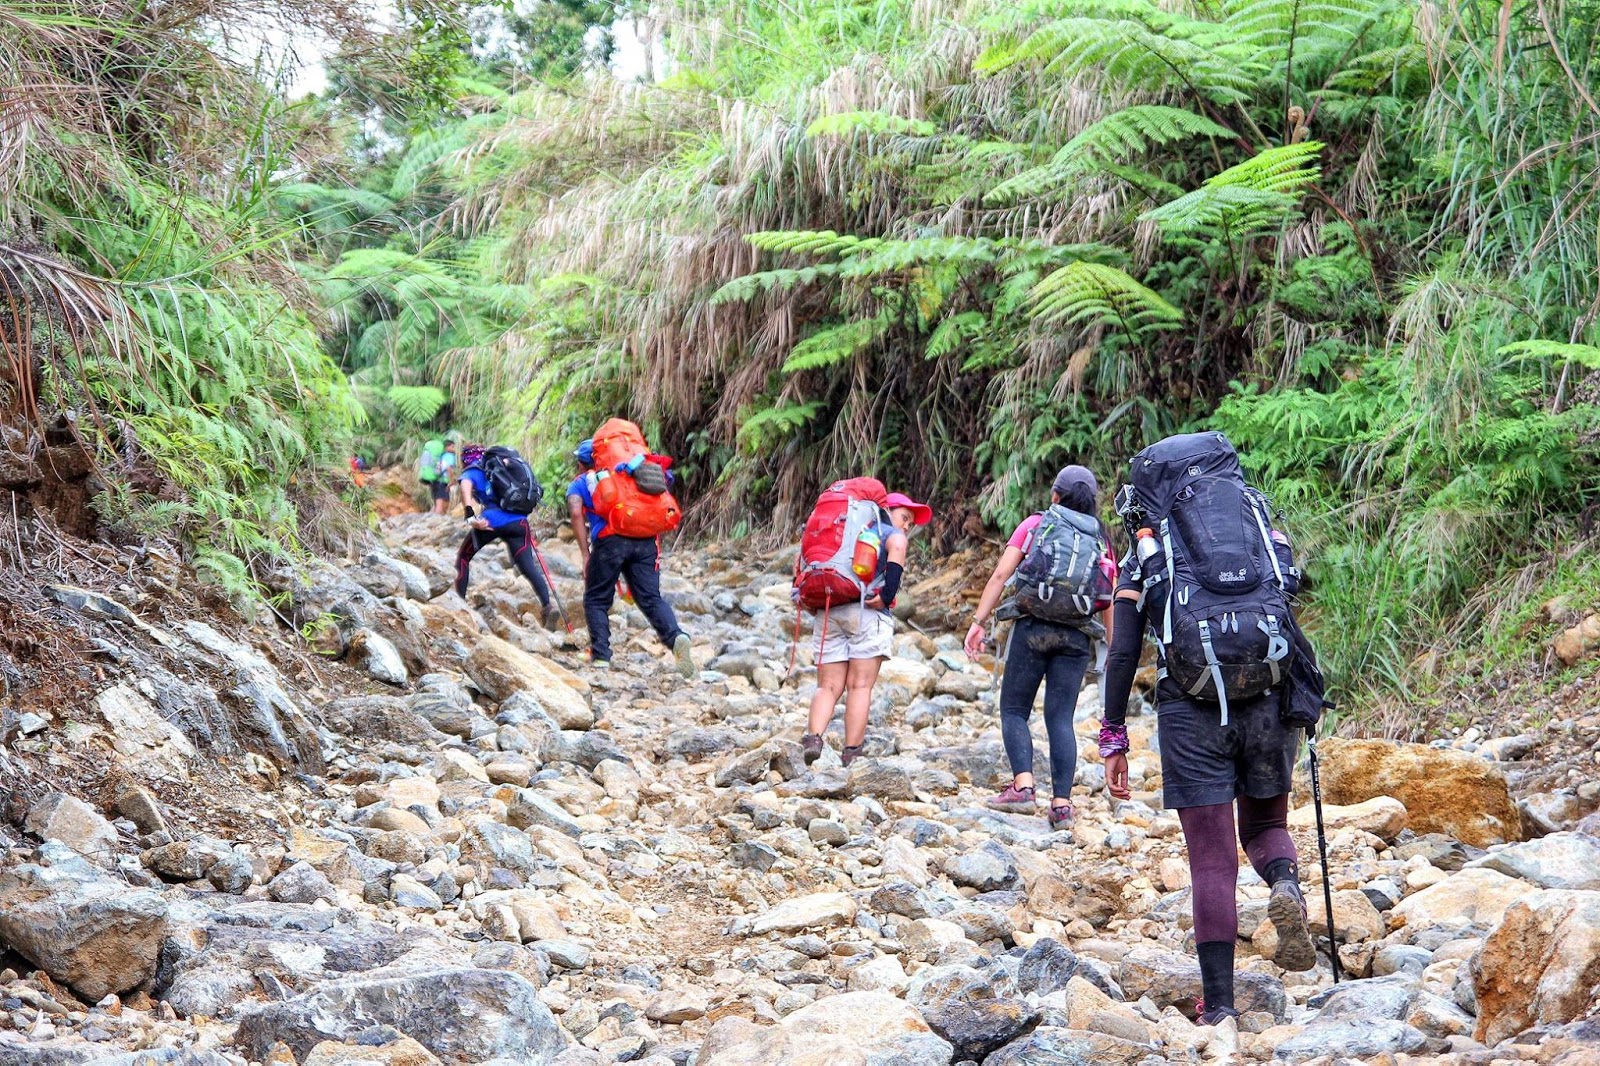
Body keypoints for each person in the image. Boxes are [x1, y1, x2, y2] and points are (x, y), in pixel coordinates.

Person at [1098, 435, 1316, 1027]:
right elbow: (1288, 593)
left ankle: (1218, 1006)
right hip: (1269, 698)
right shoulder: (1258, 522)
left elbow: (1123, 652)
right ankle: (1285, 884)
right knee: (1267, 825)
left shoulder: (1149, 547)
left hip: (1190, 708)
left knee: (1211, 863)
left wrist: (1113, 732)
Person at [964, 465, 1114, 829]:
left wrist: (978, 622)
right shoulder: (1102, 538)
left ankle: (1023, 787)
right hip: (1077, 635)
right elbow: (1109, 596)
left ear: (1055, 495)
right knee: (1060, 719)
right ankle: (1062, 805)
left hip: (1031, 627)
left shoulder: (1036, 524)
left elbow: (1001, 575)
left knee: (1015, 709)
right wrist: (1113, 646)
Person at [801, 491, 931, 766]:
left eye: (910, 524)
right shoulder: (888, 532)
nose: (906, 527)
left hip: (831, 610)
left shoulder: (844, 532)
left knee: (827, 685)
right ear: (886, 509)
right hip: (867, 613)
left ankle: (813, 739)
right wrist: (887, 595)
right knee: (860, 686)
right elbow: (897, 548)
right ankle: (851, 753)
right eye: (904, 517)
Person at [567, 438, 693, 677]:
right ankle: (676, 637)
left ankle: (601, 655)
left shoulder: (583, 482)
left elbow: (575, 513)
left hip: (609, 542)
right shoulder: (631, 476)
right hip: (645, 541)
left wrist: (585, 553)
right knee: (650, 598)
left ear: (583, 463)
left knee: (596, 598)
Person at [456, 443, 557, 627]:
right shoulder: (502, 467)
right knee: (528, 567)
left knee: (463, 559)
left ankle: (459, 605)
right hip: (519, 523)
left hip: (490, 523)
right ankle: (547, 606)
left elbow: (465, 488)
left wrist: (470, 517)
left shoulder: (472, 471)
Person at [432, 440, 459, 514]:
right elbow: (448, 468)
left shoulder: (442, 456)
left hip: (435, 481)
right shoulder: (449, 456)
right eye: (452, 447)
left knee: (437, 502)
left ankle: (431, 519)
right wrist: (451, 480)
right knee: (440, 505)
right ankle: (434, 522)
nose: (454, 448)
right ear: (447, 448)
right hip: (442, 481)